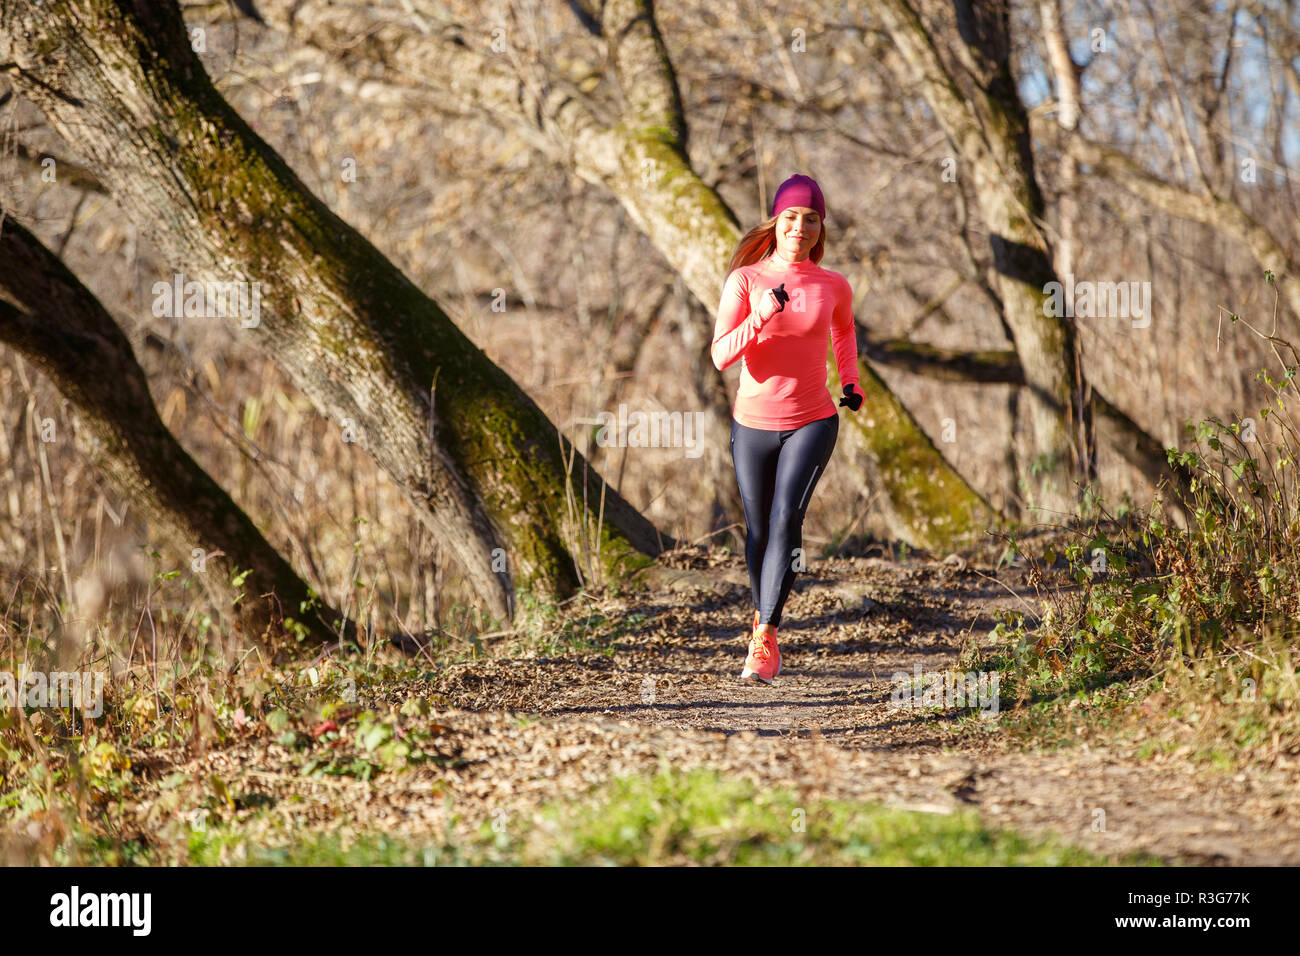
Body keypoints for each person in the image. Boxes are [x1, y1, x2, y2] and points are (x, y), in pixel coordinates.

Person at [710, 174, 862, 684]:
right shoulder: (746, 281)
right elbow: (720, 355)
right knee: (757, 533)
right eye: (792, 218)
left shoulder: (832, 285)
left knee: (784, 521)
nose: (801, 227)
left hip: (813, 418)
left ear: (821, 229)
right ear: (777, 223)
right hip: (752, 423)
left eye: (812, 220)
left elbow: (843, 330)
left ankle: (766, 635)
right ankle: (762, 616)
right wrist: (759, 317)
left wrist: (852, 381)